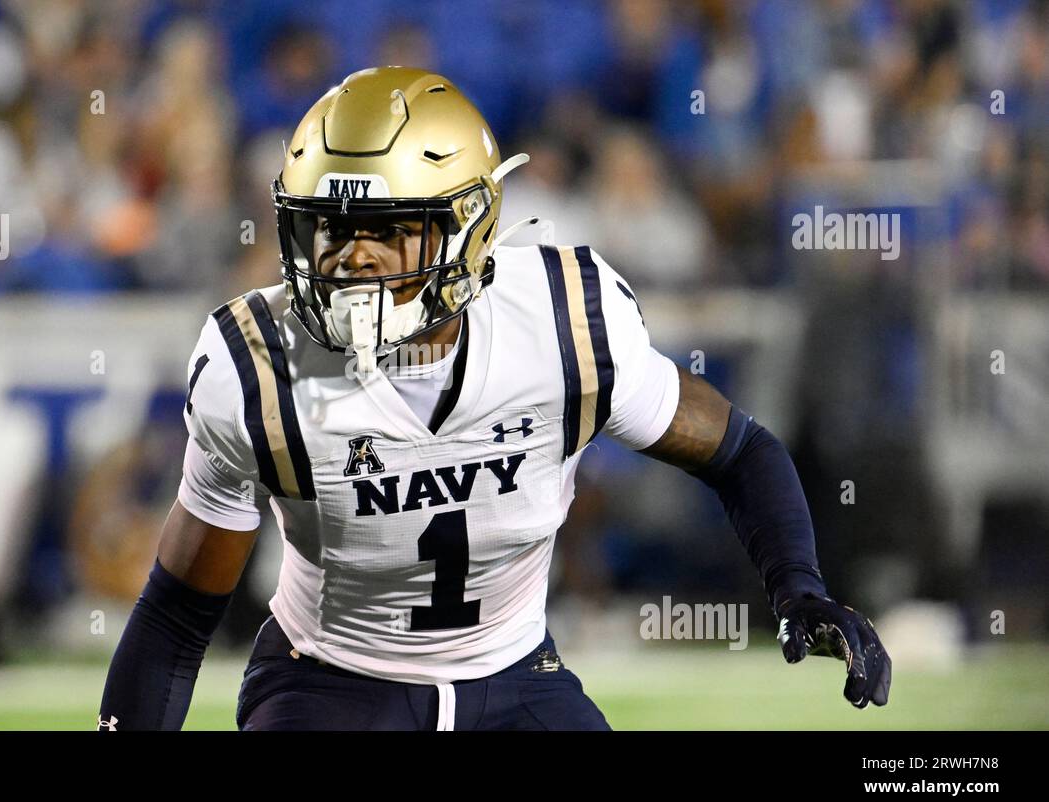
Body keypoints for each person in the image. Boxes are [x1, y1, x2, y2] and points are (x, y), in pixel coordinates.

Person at [98, 67, 890, 731]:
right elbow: (177, 612)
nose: (350, 260)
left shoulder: (562, 325)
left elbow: (739, 449)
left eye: (387, 227)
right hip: (329, 686)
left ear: (466, 229)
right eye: (328, 229)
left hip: (517, 679)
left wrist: (801, 587)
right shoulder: (260, 367)